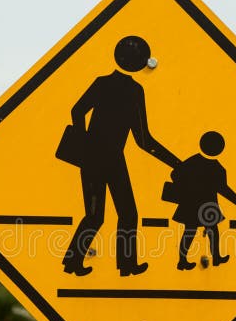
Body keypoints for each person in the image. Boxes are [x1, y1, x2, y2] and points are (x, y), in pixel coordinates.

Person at [60, 36, 179, 276]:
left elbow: (77, 110)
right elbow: (143, 140)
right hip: (110, 158)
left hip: (99, 158)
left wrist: (85, 144)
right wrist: (177, 163)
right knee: (122, 214)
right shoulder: (135, 90)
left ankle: (90, 263)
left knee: (100, 216)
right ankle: (117, 265)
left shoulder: (102, 83)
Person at [165, 131, 236, 270]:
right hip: (205, 206)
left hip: (195, 204)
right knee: (207, 230)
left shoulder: (193, 161)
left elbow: (175, 174)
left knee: (195, 231)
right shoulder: (218, 168)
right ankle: (200, 259)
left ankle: (200, 259)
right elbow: (223, 189)